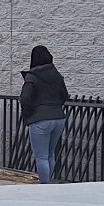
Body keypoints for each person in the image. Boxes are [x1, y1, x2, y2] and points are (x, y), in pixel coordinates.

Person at [19, 45, 69, 183]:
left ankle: (44, 185)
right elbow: (65, 95)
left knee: (41, 157)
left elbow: (25, 98)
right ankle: (48, 183)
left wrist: (29, 115)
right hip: (58, 118)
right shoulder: (57, 75)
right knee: (50, 154)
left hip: (39, 119)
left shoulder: (32, 77)